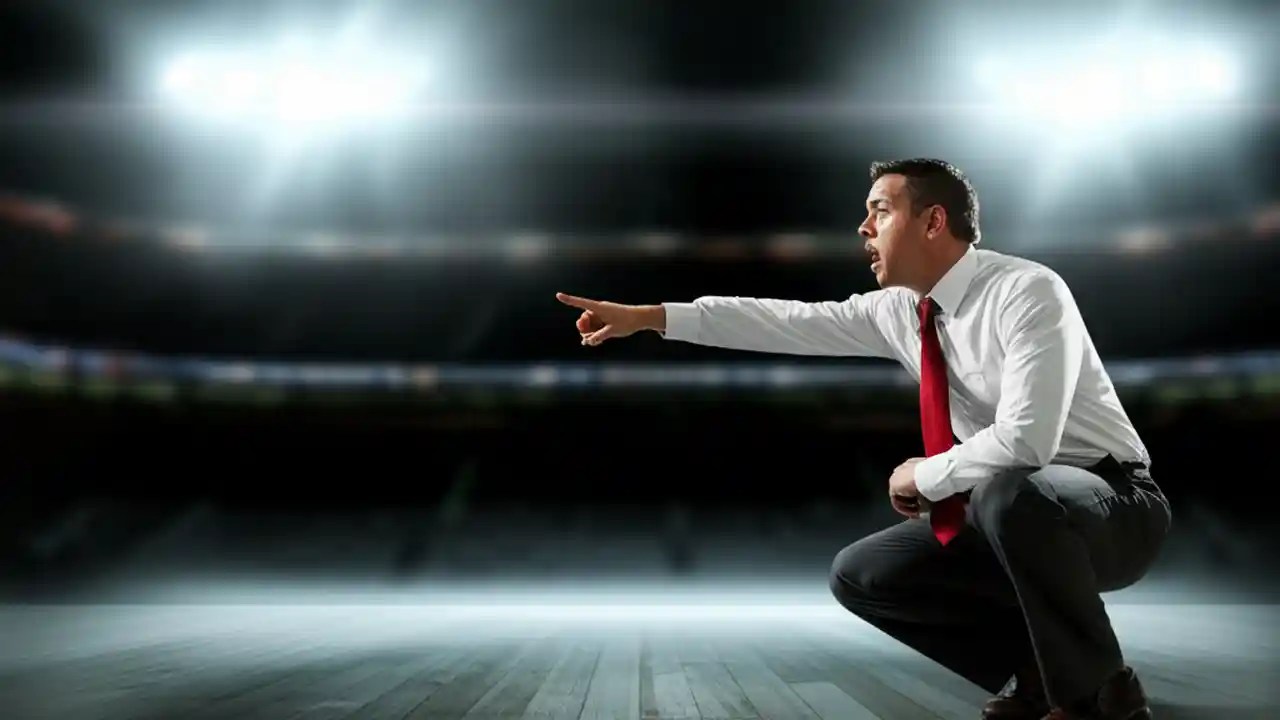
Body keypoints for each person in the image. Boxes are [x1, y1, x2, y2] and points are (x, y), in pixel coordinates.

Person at [555, 158, 1172, 720]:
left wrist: (923, 475)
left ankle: (1099, 699)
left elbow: (1027, 443)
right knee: (865, 572)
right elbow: (780, 320)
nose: (862, 227)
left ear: (934, 221)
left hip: (1113, 506)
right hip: (1010, 514)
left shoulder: (1027, 291)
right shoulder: (898, 310)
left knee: (1005, 494)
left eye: (880, 209)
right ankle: (1045, 674)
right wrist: (651, 318)